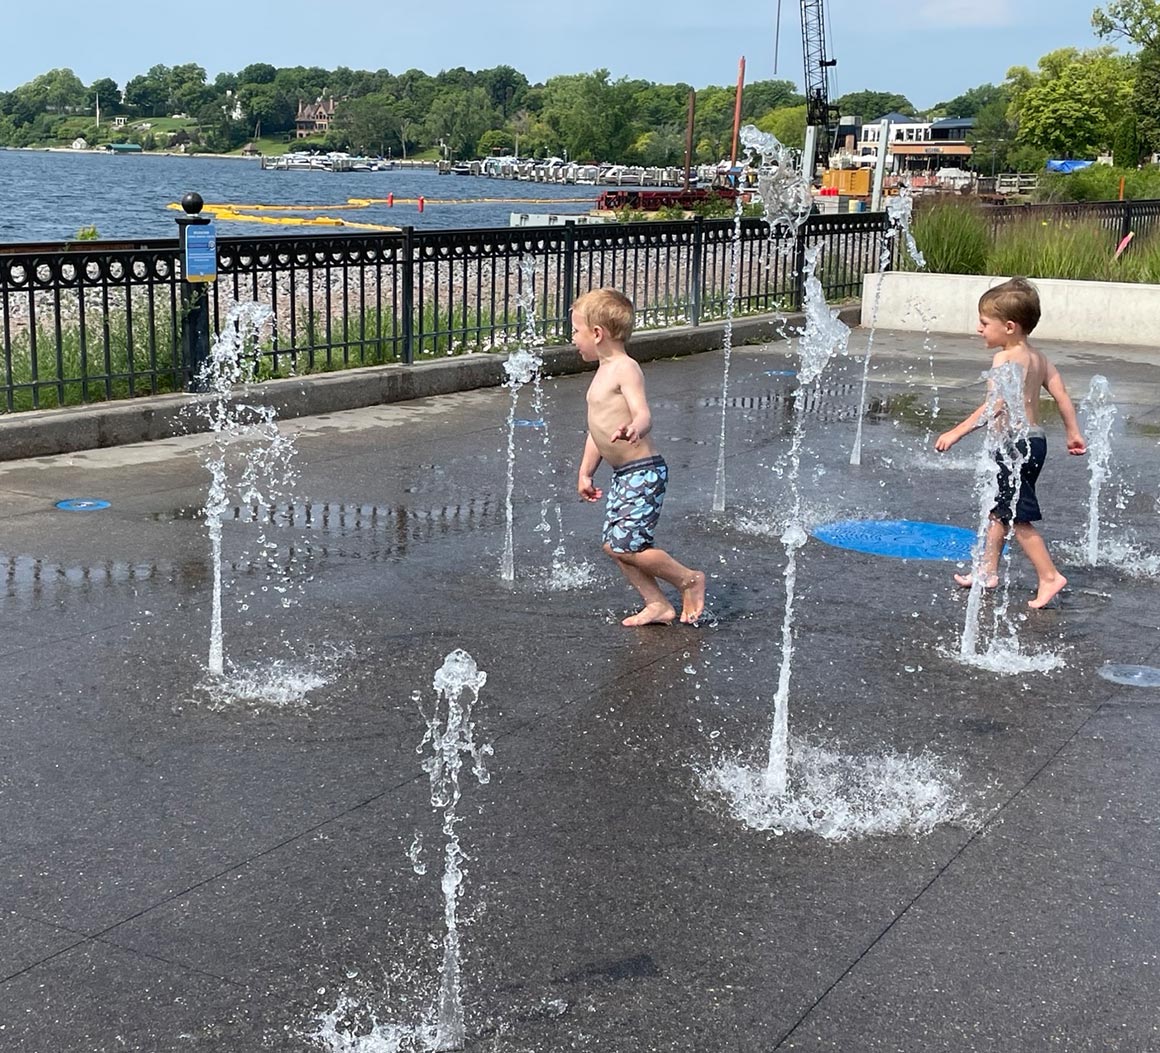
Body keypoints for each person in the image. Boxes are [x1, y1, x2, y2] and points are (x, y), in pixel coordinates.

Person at [935, 277, 1087, 609]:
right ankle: (988, 570)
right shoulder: (1038, 357)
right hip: (1035, 442)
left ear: (1008, 326)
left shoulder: (1005, 360)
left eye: (984, 323)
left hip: (1014, 447)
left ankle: (1049, 577)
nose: (978, 329)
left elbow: (995, 405)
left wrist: (956, 432)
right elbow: (1060, 393)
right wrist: (1073, 432)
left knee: (1018, 517)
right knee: (999, 510)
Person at [572, 288, 706, 626]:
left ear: (598, 333)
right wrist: (585, 472)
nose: (573, 339)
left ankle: (688, 578)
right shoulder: (600, 373)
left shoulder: (625, 368)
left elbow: (644, 413)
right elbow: (596, 430)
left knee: (626, 546)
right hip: (624, 474)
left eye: (576, 331)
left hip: (643, 472)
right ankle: (657, 604)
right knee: (613, 546)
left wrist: (636, 428)